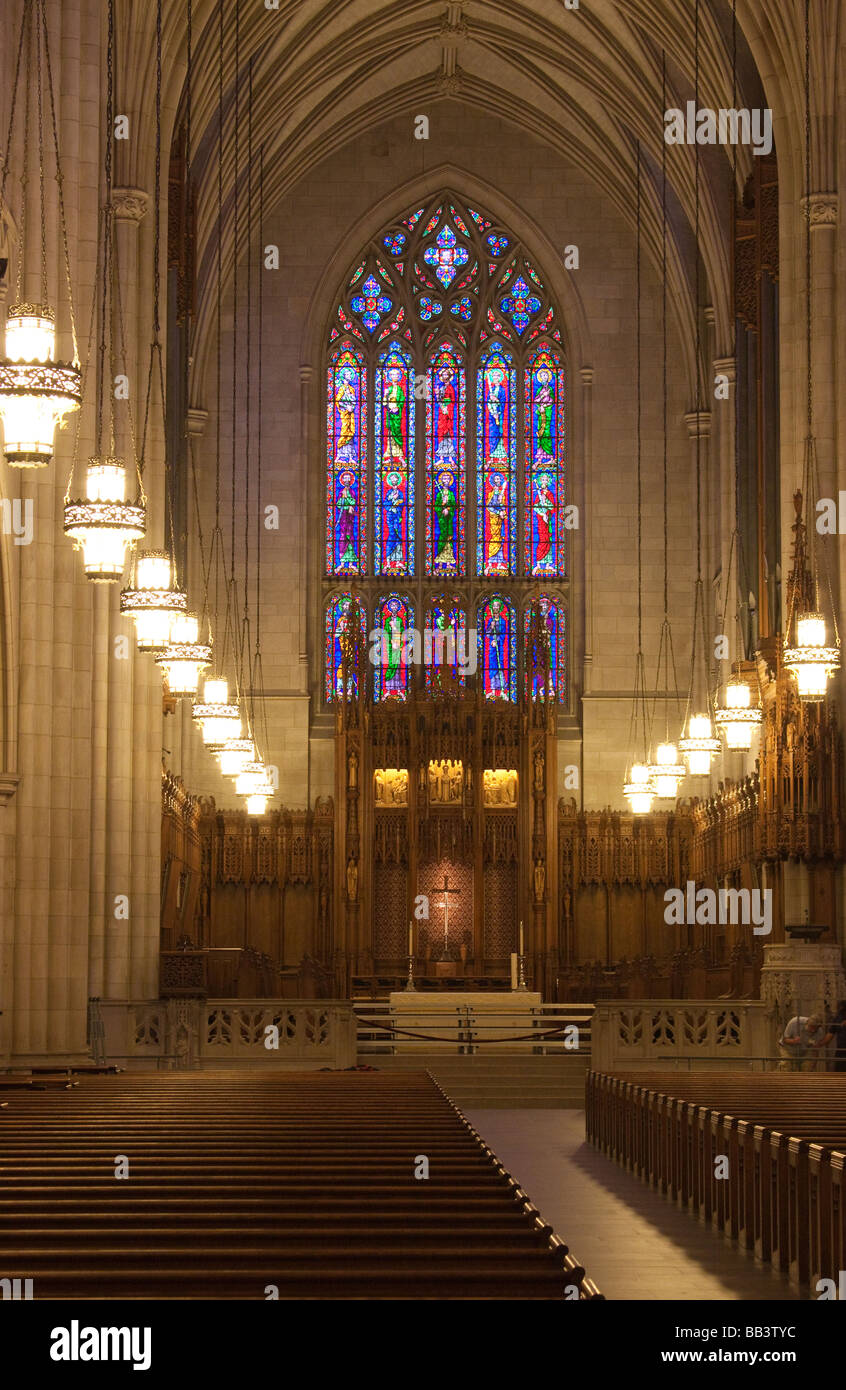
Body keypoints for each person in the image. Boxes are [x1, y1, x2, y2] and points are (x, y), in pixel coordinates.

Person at [827, 1000, 846, 1073]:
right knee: (839, 1072)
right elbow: (830, 1034)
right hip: (841, 1051)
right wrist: (819, 1043)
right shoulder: (838, 1018)